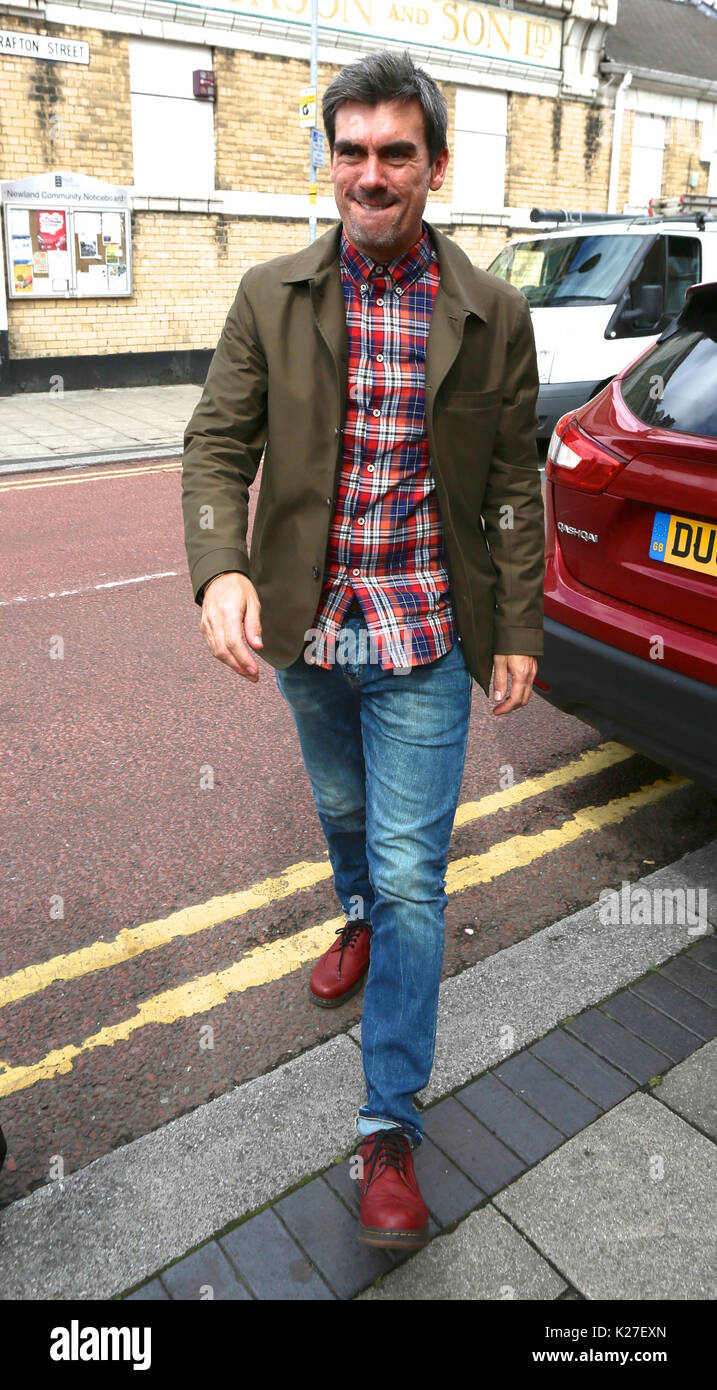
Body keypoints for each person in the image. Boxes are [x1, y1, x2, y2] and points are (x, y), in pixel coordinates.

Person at [181, 48, 544, 1250]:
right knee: (345, 818)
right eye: (353, 152)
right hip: (309, 630)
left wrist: (521, 626)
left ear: (436, 166)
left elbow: (508, 487)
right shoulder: (269, 294)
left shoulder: (493, 315)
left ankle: (387, 1125)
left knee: (413, 872)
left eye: (397, 152)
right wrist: (220, 565)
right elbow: (214, 446)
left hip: (428, 636)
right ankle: (355, 918)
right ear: (330, 160)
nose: (372, 174)